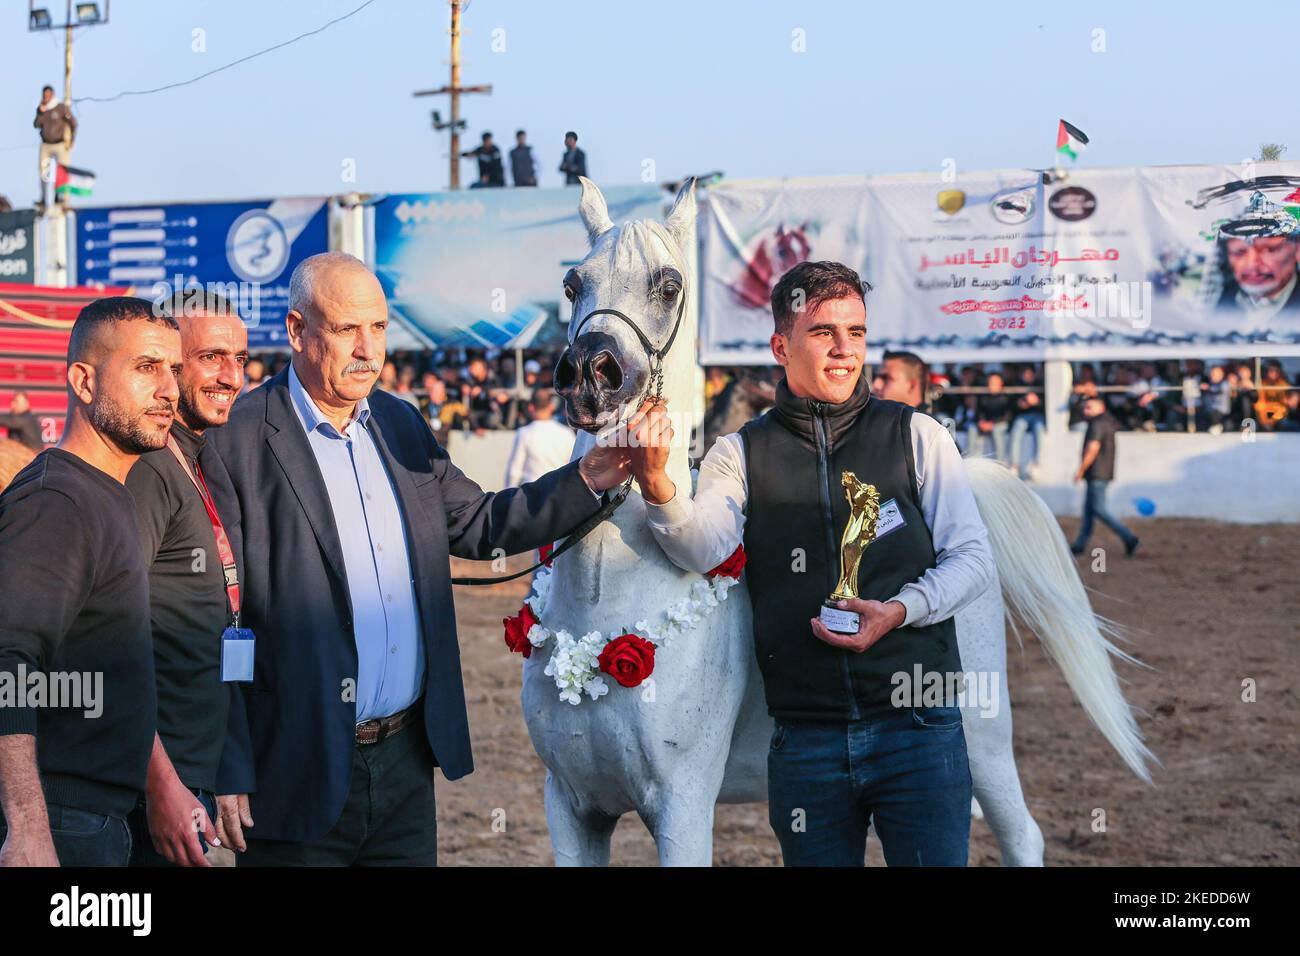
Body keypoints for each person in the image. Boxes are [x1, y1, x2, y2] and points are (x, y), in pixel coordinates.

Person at [201, 253, 632, 866]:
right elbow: (214, 623)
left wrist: (589, 477)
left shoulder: (400, 422)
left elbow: (480, 524)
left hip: (404, 764)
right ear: (298, 331)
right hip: (292, 769)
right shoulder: (236, 438)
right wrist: (226, 762)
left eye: (378, 328)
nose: (368, 349)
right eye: (347, 329)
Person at [628, 260, 993, 867]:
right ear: (781, 345)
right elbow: (702, 547)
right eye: (824, 332)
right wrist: (657, 484)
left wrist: (899, 611)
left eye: (857, 333)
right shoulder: (739, 453)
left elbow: (973, 559)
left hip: (920, 727)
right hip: (806, 740)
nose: (845, 350)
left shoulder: (918, 434)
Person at [0, 296, 179, 867]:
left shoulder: (106, 492)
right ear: (83, 380)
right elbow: (8, 663)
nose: (169, 389)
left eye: (173, 369)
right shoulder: (59, 501)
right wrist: (26, 828)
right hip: (61, 825)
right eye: (146, 367)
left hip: (97, 816)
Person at [124, 293, 249, 867]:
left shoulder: (199, 456)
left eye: (242, 359)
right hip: (155, 788)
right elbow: (108, 641)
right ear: (172, 365)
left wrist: (224, 767)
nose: (232, 377)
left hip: (195, 770)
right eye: (213, 357)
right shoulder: (150, 468)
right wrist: (162, 787)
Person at [1070, 396, 1139, 557]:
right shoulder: (1106, 421)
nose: (1085, 410)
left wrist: (1081, 469)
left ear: (1100, 407)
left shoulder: (1097, 423)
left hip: (1097, 472)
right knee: (1089, 510)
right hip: (1101, 472)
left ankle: (1129, 538)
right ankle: (1080, 544)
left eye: (1089, 407)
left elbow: (1092, 448)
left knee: (1098, 509)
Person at [503, 389, 575, 486]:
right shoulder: (567, 433)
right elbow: (574, 465)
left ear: (531, 408)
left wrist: (507, 496)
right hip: (559, 491)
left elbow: (514, 471)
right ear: (551, 407)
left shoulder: (524, 433)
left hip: (531, 494)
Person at [33, 85, 76, 205]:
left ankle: (60, 196)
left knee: (61, 171)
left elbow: (73, 123)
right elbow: (36, 124)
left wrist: (71, 140)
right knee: (43, 171)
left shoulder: (61, 108)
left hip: (60, 144)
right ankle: (43, 198)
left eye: (48, 95)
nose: (46, 98)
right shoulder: (42, 109)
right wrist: (40, 113)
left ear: (52, 95)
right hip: (46, 145)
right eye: (44, 96)